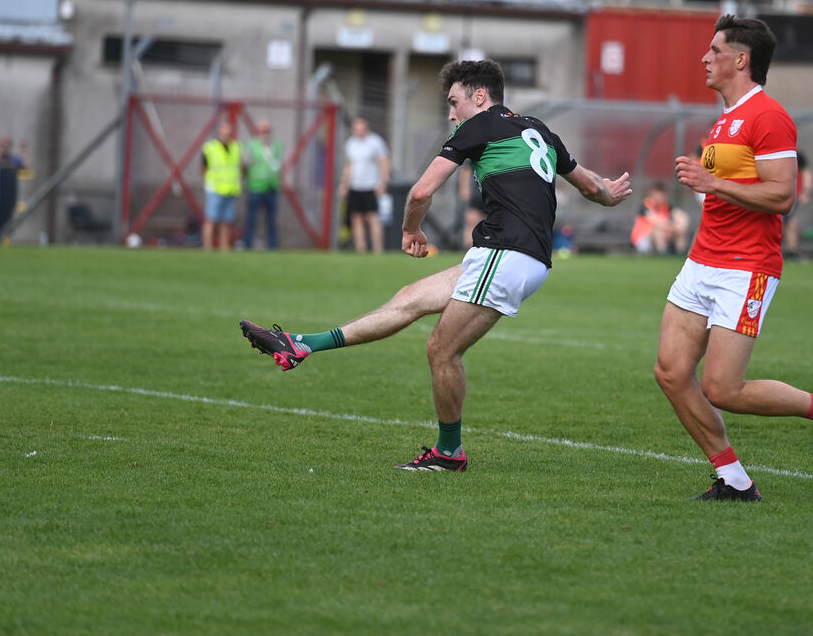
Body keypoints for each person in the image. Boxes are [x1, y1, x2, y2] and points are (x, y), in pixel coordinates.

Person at [240, 59, 632, 471]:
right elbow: (590, 186)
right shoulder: (540, 128)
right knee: (410, 299)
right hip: (503, 253)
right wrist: (611, 194)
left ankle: (449, 454)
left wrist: (411, 231)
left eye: (453, 102)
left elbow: (421, 191)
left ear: (479, 97)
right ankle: (302, 344)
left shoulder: (476, 126)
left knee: (441, 350)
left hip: (509, 254)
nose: (450, 114)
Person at [656, 14, 813, 502]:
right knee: (670, 371)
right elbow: (731, 192)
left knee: (723, 388)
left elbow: (781, 196)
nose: (704, 58)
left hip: (745, 268)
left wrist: (712, 184)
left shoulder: (768, 116)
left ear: (741, 60)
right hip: (701, 262)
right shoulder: (725, 118)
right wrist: (708, 191)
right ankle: (733, 479)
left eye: (714, 50)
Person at [339, 116, 391, 254]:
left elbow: (384, 163)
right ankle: (360, 250)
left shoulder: (375, 142)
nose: (358, 131)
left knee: (373, 217)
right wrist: (344, 184)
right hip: (355, 186)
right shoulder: (350, 143)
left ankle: (377, 250)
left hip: (371, 186)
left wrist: (383, 182)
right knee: (356, 217)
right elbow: (349, 165)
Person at [201, 119, 242, 252]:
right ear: (219, 133)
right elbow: (203, 168)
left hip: (230, 189)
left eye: (229, 133)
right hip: (215, 189)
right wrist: (209, 182)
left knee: (226, 221)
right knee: (211, 219)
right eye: (224, 132)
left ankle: (224, 248)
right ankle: (208, 247)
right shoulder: (210, 148)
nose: (226, 135)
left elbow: (240, 167)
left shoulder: (236, 147)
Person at [242, 119, 283, 250]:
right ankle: (247, 243)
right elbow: (245, 165)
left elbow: (279, 164)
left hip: (271, 187)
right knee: (252, 219)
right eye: (262, 131)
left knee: (271, 220)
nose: (264, 134)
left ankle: (272, 245)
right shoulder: (251, 146)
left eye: (267, 131)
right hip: (256, 187)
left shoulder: (276, 146)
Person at [0, 136, 31, 240]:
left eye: (6, 145)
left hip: (10, 196)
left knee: (7, 219)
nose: (5, 148)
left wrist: (24, 151)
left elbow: (26, 166)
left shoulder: (14, 160)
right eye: (2, 145)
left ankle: (3, 238)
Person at [630, 184, 689, 255]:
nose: (660, 196)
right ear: (652, 194)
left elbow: (682, 218)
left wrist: (679, 227)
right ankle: (662, 253)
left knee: (680, 231)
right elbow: (658, 222)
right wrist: (674, 227)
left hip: (665, 232)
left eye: (662, 194)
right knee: (657, 230)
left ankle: (680, 254)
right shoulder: (645, 206)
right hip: (643, 239)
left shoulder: (667, 206)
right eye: (658, 194)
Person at [782, 150, 813, 259]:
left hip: (793, 196)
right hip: (780, 194)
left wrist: (806, 192)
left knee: (789, 221)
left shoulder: (797, 155)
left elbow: (807, 174)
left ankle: (791, 250)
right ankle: (790, 250)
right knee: (789, 222)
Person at [457, 162, 485, 248]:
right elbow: (466, 169)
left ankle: (486, 249)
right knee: (472, 221)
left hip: (493, 194)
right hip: (477, 194)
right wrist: (464, 189)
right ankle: (470, 248)